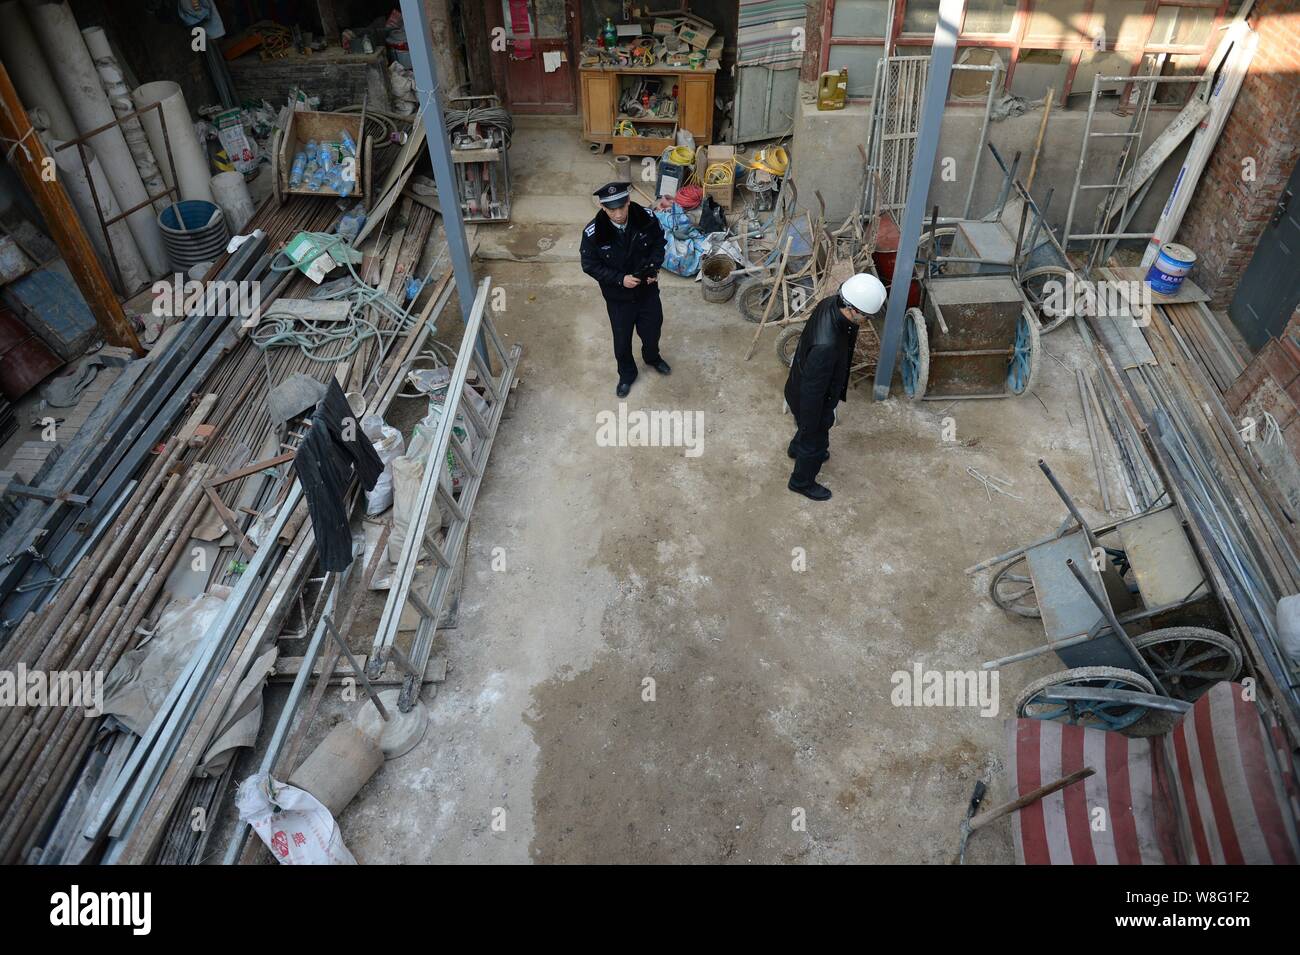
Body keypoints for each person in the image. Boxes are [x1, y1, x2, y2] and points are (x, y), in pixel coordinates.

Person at [783, 273, 887, 501]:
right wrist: (814, 427)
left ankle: (796, 448)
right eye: (866, 317)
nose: (866, 321)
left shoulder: (830, 304)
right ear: (853, 310)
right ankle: (801, 481)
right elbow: (813, 393)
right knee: (816, 440)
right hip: (808, 399)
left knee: (809, 432)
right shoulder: (827, 345)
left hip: (797, 385)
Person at [580, 182, 671, 397]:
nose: (618, 214)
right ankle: (627, 375)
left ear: (628, 201)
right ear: (603, 208)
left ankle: (652, 358)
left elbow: (659, 243)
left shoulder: (646, 217)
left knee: (652, 331)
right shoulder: (593, 233)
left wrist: (654, 269)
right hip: (618, 298)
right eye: (612, 210)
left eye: (622, 207)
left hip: (647, 291)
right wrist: (620, 279)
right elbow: (590, 265)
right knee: (621, 342)